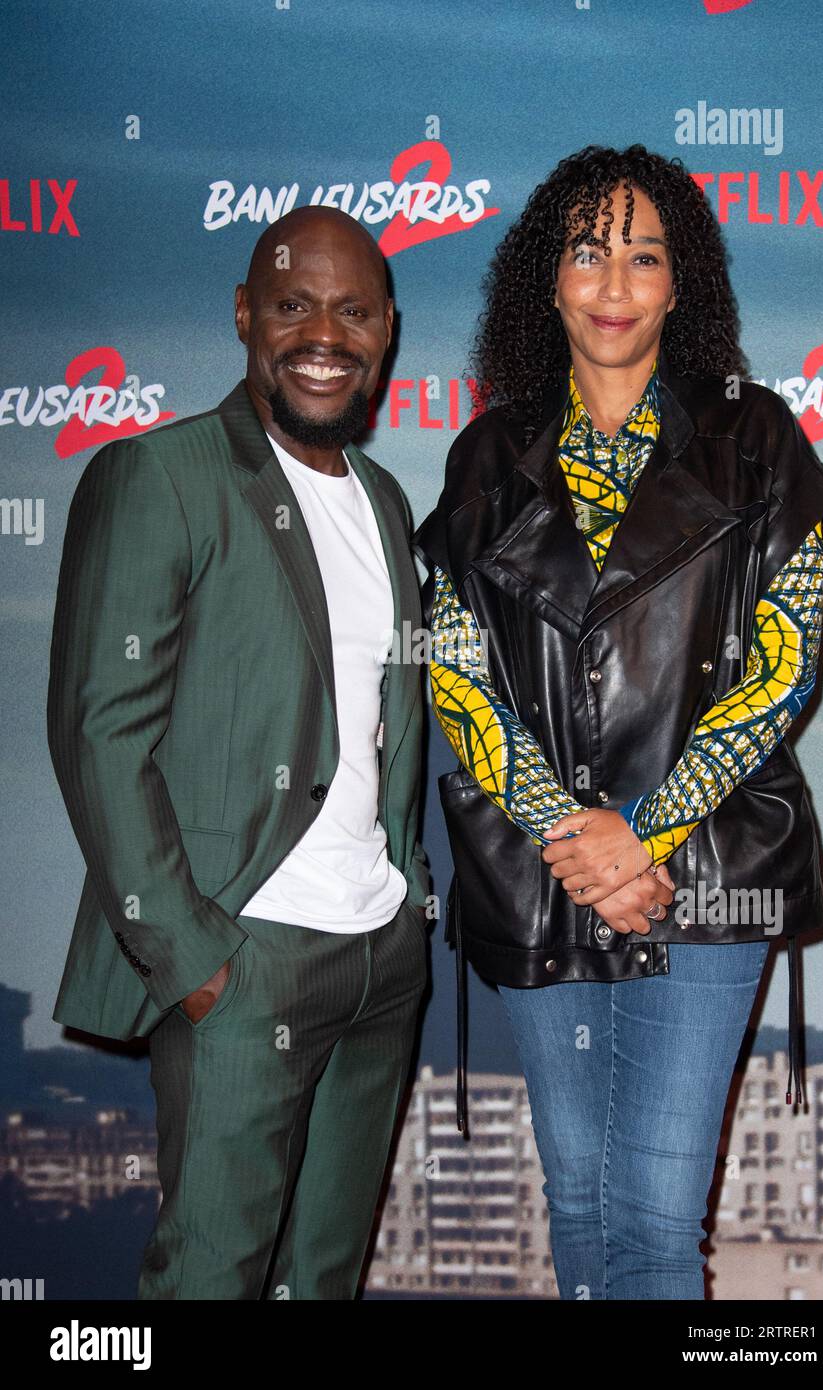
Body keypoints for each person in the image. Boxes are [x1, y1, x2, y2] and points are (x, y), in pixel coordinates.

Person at [413, 145, 823, 1300]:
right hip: (542, 869)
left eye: (643, 256)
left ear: (679, 284)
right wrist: (582, 839)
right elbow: (456, 675)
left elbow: (786, 667)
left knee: (654, 1217)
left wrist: (645, 830)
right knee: (581, 1210)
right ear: (544, 280)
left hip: (710, 870)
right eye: (587, 251)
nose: (613, 280)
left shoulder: (756, 438)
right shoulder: (486, 459)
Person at [47, 206, 430, 1300]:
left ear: (387, 332)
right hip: (245, 956)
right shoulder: (159, 475)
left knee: (326, 1279)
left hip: (379, 958)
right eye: (294, 303)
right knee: (209, 1279)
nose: (324, 333)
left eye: (352, 310)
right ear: (243, 316)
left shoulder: (387, 503)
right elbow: (96, 729)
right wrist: (195, 960)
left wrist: (407, 901)